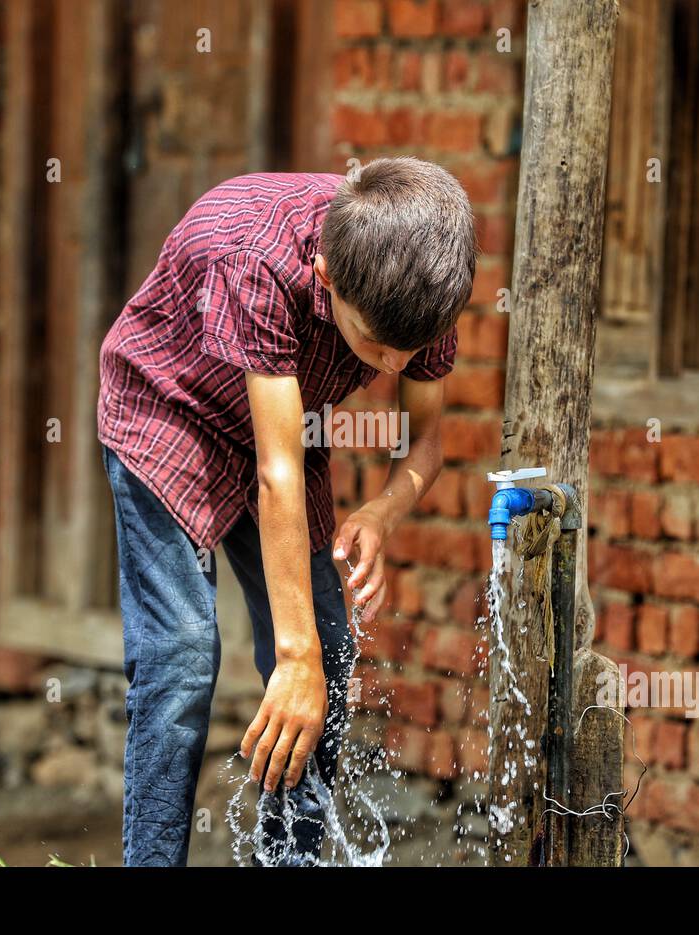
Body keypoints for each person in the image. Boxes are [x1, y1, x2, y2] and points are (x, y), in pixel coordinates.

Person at [97, 156, 477, 865]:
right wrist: (291, 659)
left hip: (285, 430)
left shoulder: (418, 285)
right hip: (168, 408)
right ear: (328, 278)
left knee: (327, 652)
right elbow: (275, 477)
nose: (393, 369)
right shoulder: (259, 261)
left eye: (411, 352)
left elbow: (426, 441)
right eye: (373, 345)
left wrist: (381, 514)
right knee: (182, 653)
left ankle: (289, 861)